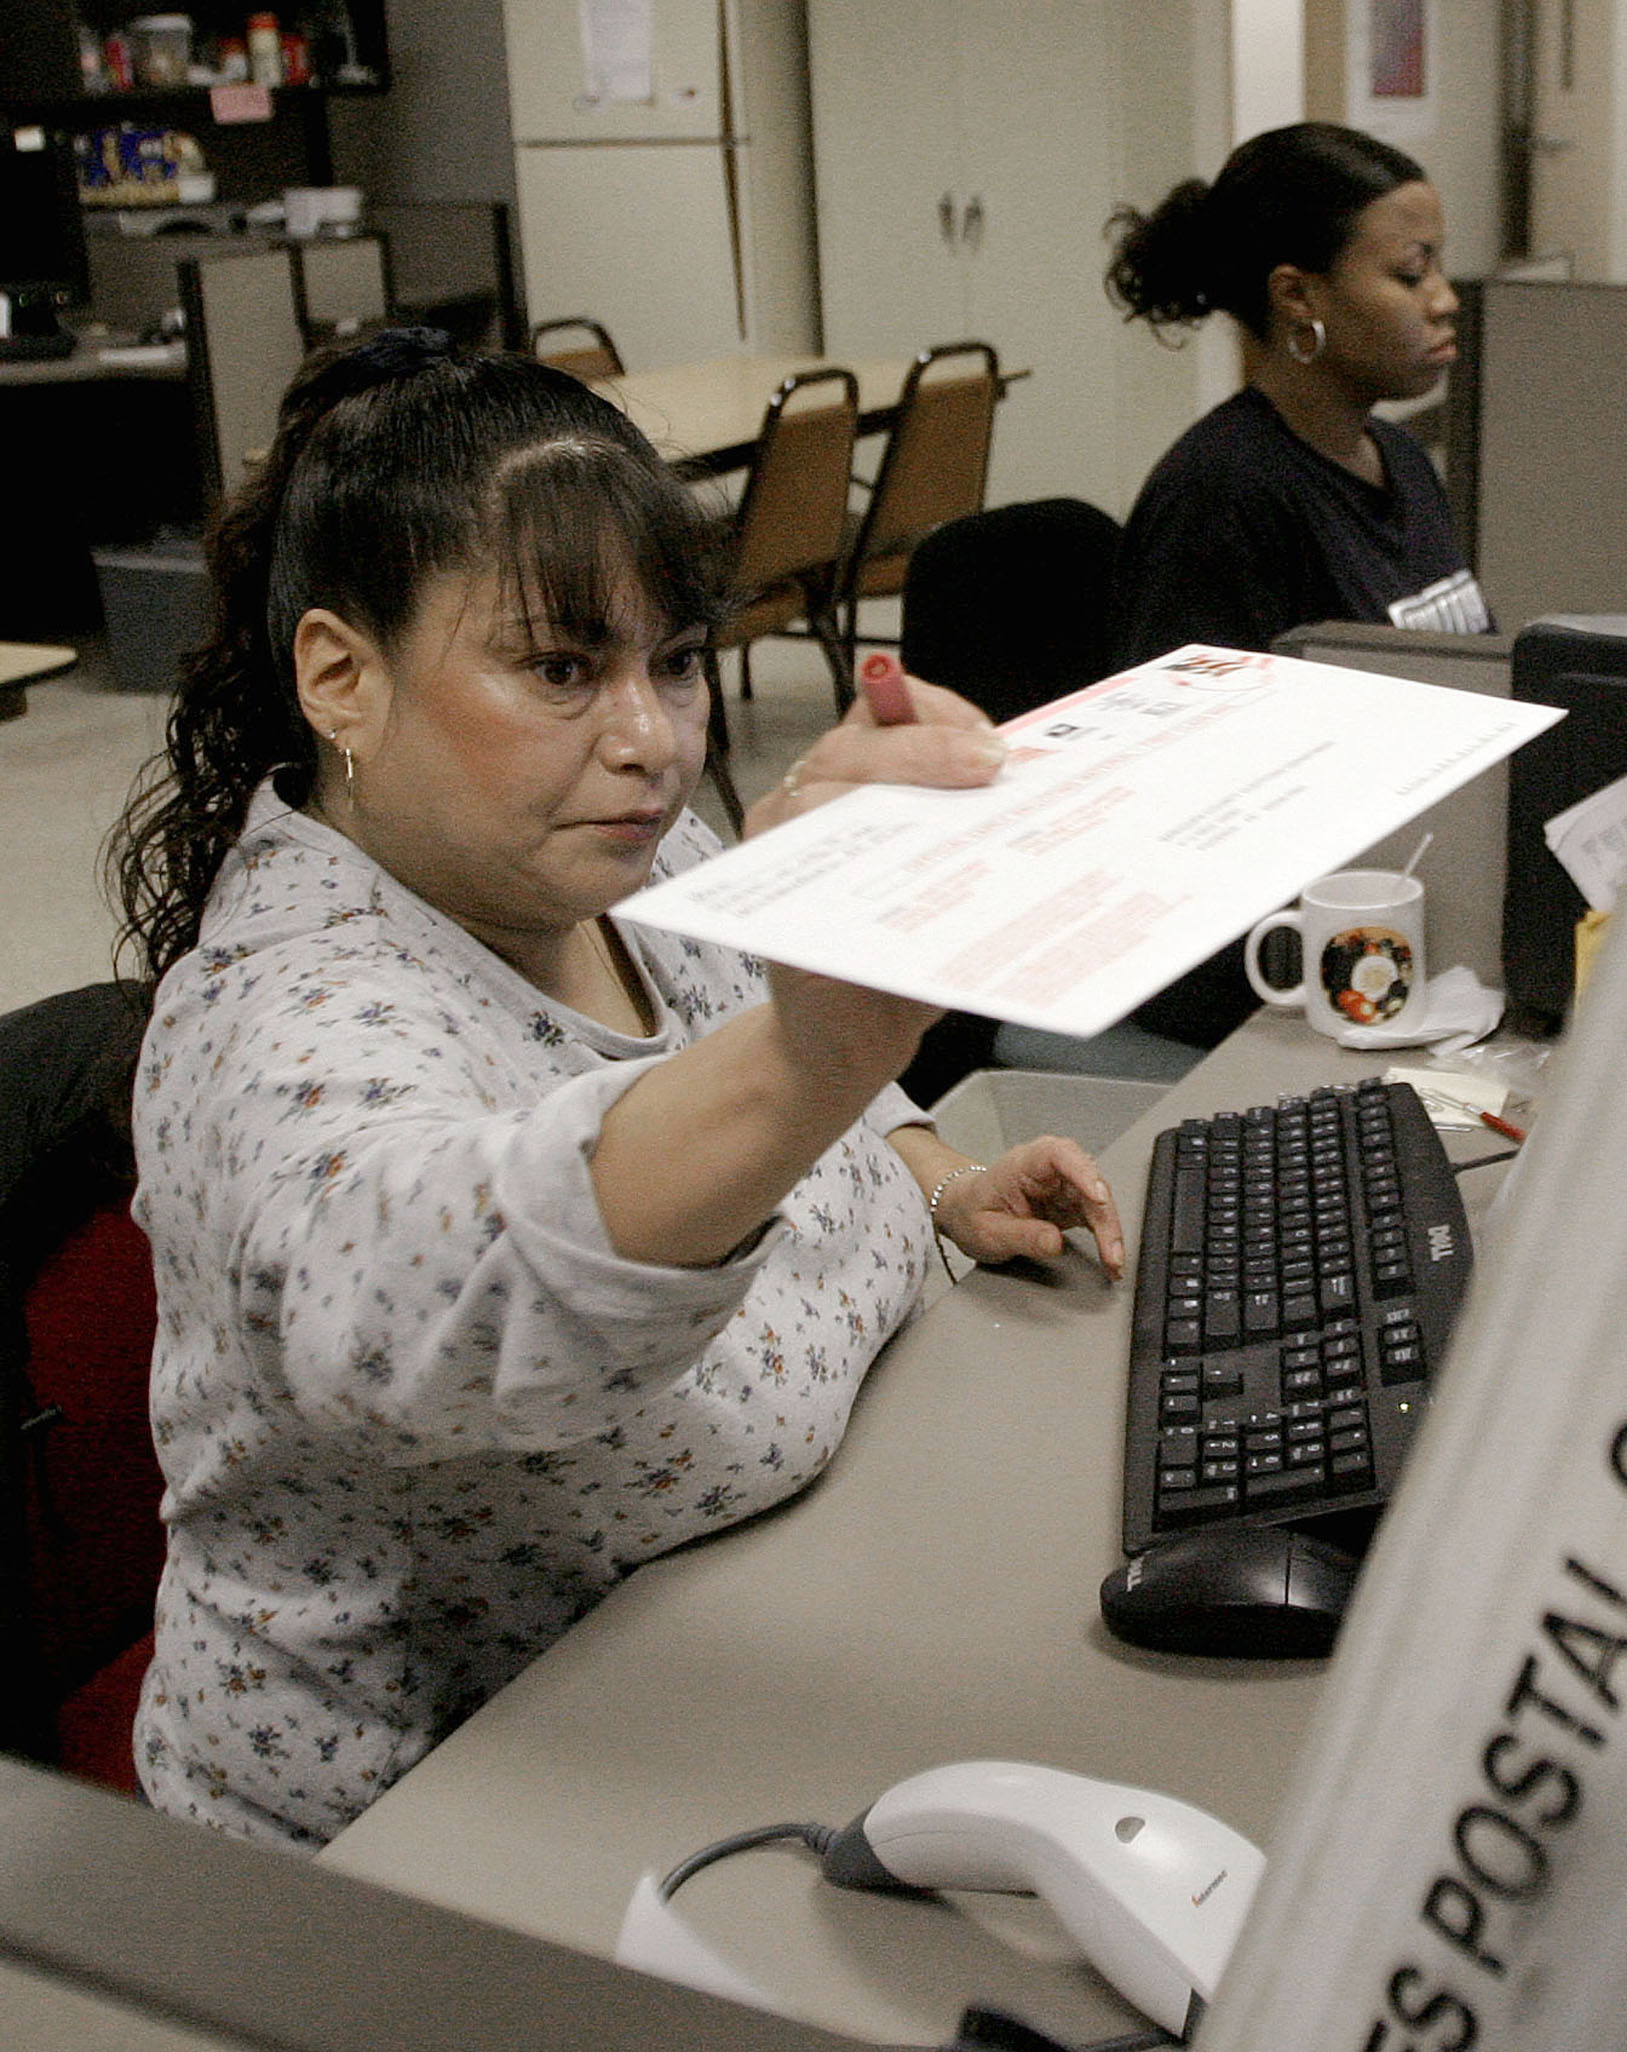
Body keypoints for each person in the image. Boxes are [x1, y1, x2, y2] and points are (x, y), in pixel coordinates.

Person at [108, 335, 1128, 1850]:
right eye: (561, 668)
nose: (649, 743)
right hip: (447, 1832)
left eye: (672, 662)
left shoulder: (629, 866)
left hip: (785, 1626)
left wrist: (933, 1179)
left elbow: (779, 1045)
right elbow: (424, 1293)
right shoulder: (279, 1016)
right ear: (341, 677)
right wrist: (809, 1050)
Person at [1102, 123, 1491, 1046]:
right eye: (1410, 274)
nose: (1444, 302)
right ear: (1297, 297)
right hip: (1279, 977)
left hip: (1415, 906)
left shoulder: (1399, 456)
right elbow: (1192, 806)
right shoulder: (1226, 497)